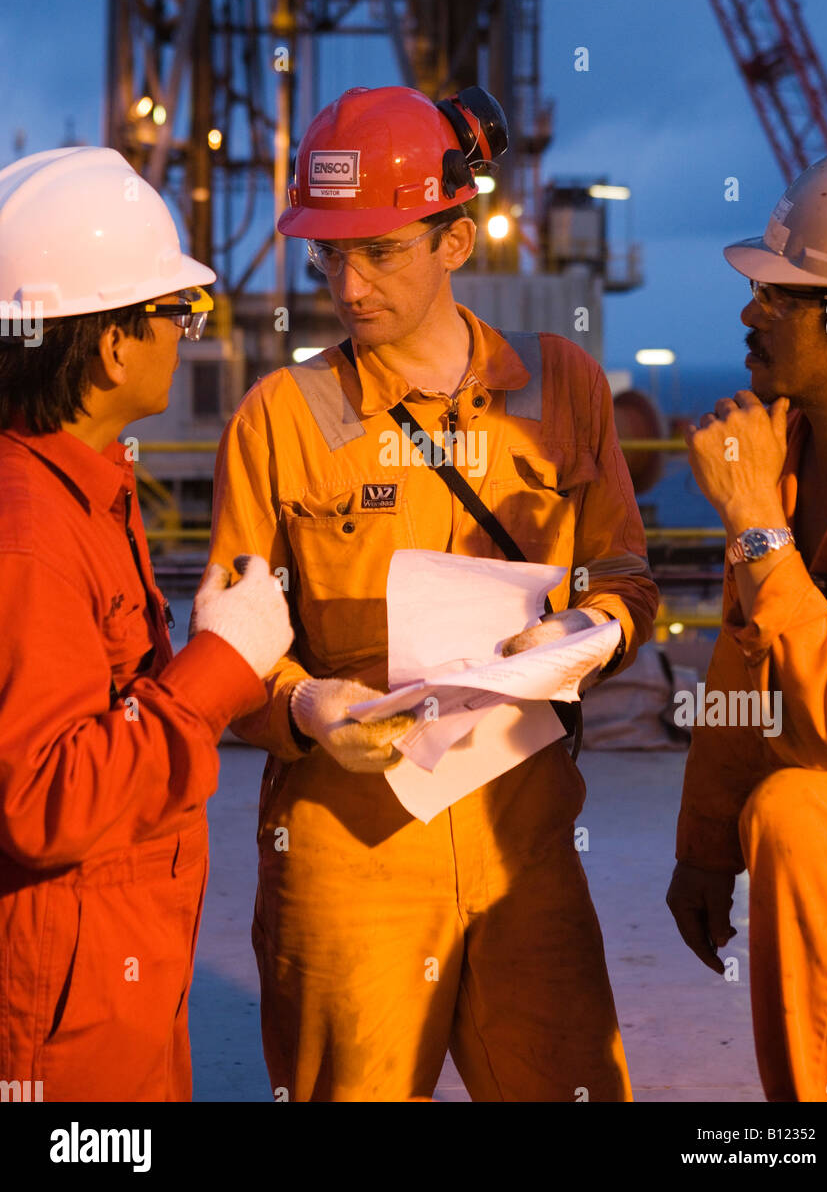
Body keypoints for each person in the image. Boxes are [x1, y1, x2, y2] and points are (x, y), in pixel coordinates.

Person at [209, 84, 658, 1102]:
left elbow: (625, 577)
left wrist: (592, 629)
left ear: (454, 240)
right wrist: (302, 704)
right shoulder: (281, 419)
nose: (347, 284)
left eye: (379, 250)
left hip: (522, 844)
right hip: (348, 851)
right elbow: (230, 653)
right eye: (328, 254)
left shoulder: (560, 388)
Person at [0, 147, 292, 1102]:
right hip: (61, 1016)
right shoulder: (32, 534)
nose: (189, 334)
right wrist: (220, 664)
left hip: (101, 978)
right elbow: (46, 801)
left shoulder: (78, 493)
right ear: (114, 344)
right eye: (179, 313)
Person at [666, 135, 827, 1102]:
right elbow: (744, 667)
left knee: (798, 813)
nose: (750, 313)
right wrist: (703, 848)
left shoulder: (766, 488)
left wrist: (754, 527)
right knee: (783, 813)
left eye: (781, 297)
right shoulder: (788, 448)